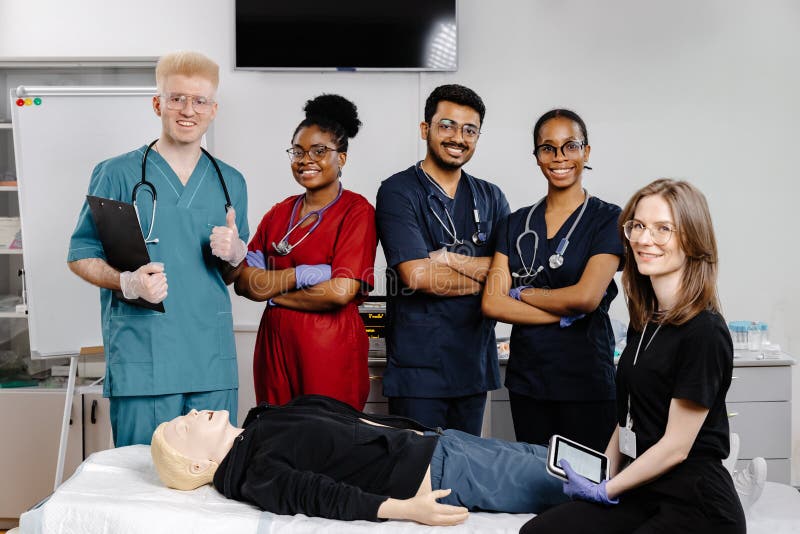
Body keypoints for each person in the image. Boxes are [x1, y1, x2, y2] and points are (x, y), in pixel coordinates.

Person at [521, 179, 746, 533]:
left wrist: (607, 490)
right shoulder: (646, 322)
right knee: (539, 531)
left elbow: (675, 448)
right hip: (644, 486)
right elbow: (627, 419)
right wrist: (602, 477)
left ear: (692, 238)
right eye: (638, 225)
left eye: (662, 229)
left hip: (695, 500)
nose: (643, 239)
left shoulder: (705, 331)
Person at [67, 51, 249, 447]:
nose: (188, 110)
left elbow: (231, 276)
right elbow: (80, 254)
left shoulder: (230, 182)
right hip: (145, 359)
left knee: (211, 475)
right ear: (157, 104)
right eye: (177, 98)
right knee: (139, 474)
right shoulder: (116, 173)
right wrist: (126, 282)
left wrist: (237, 255)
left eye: (199, 100)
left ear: (213, 109)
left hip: (210, 363)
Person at [150, 394, 568, 525]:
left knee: (561, 459)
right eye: (184, 428)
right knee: (576, 485)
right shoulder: (255, 472)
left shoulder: (259, 424)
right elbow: (321, 496)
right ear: (198, 466)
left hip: (442, 443)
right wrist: (407, 510)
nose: (191, 413)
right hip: (443, 472)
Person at [482, 109, 623, 451]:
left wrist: (523, 293)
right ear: (537, 156)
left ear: (586, 151)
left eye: (570, 146)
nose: (559, 157)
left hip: (586, 380)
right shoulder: (515, 223)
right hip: (529, 381)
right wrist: (564, 311)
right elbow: (492, 302)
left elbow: (586, 298)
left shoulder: (608, 219)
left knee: (588, 477)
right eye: (548, 148)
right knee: (535, 475)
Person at [375, 84, 510, 435]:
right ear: (426, 129)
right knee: (418, 465)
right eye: (447, 126)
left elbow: (511, 273)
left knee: (465, 463)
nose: (458, 138)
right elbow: (417, 277)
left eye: (469, 130)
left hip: (473, 365)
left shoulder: (491, 196)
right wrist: (488, 276)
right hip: (419, 371)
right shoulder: (398, 191)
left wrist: (448, 259)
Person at [232, 94, 377, 410]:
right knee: (276, 430)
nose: (305, 159)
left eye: (319, 151)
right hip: (274, 348)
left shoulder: (357, 212)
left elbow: (340, 291)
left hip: (329, 349)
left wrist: (273, 294)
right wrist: (306, 274)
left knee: (328, 432)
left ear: (342, 158)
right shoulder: (278, 213)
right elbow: (243, 282)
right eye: (298, 151)